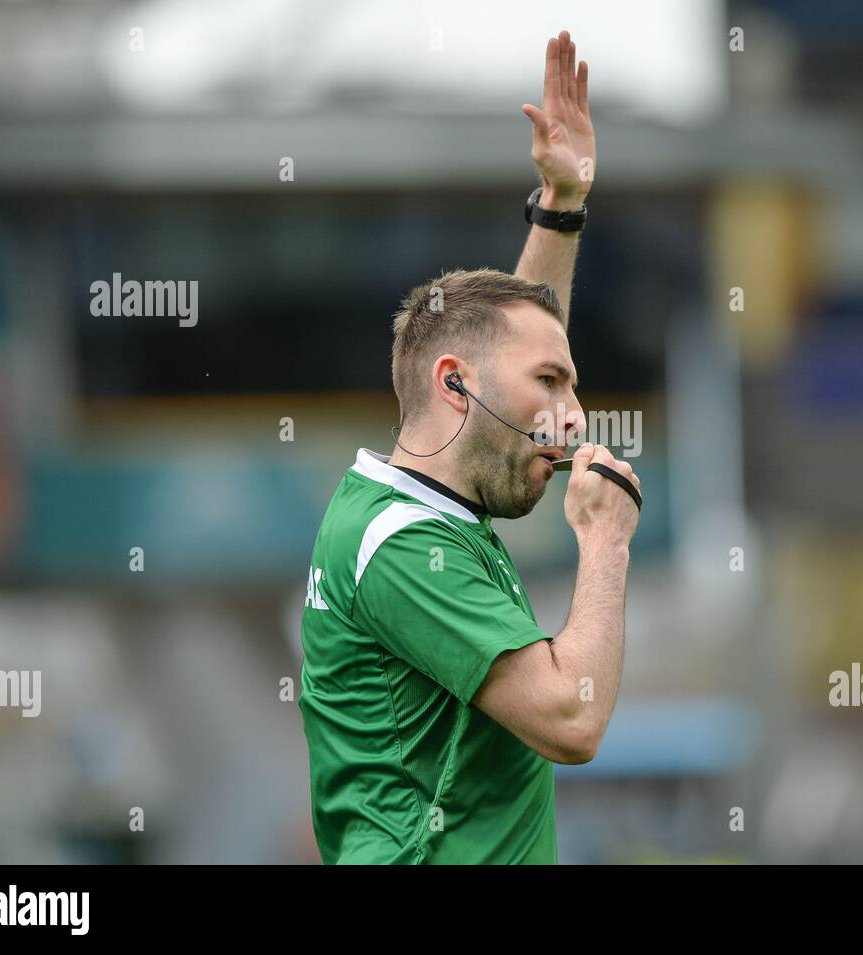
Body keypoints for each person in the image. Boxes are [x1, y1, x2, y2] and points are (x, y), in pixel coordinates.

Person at [298, 31, 641, 864]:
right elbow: (573, 716)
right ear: (455, 386)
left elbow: (516, 343)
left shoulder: (420, 507)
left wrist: (560, 205)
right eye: (553, 386)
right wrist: (605, 540)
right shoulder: (405, 547)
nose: (574, 415)